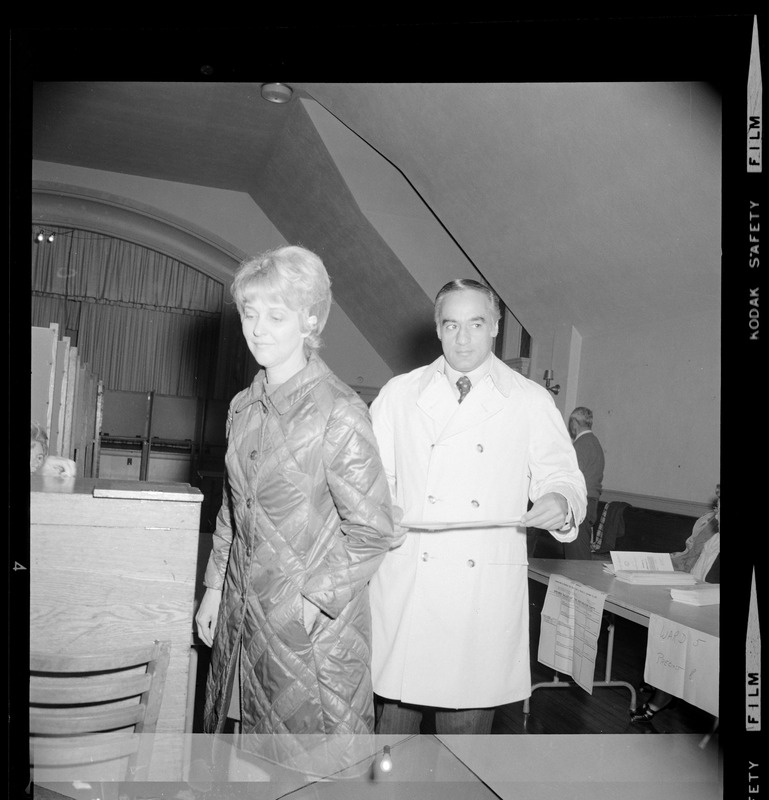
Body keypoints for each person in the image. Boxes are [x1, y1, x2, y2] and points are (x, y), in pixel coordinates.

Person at [194, 246, 398, 769]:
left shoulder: (341, 411)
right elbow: (232, 511)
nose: (258, 329)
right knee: (241, 762)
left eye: (276, 315)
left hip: (309, 633)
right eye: (249, 313)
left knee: (306, 769)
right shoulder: (244, 406)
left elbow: (374, 530)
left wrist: (312, 602)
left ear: (311, 320)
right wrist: (215, 588)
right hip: (243, 615)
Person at [369, 278, 587, 734]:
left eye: (475, 324)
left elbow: (565, 477)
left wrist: (559, 500)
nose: (462, 338)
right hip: (411, 581)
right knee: (393, 738)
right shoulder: (399, 394)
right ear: (437, 328)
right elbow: (372, 483)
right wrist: (379, 514)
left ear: (494, 327)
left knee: (464, 749)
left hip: (479, 593)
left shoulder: (528, 399)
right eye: (451, 325)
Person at [630, 484, 720, 723]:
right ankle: (665, 690)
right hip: (705, 605)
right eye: (717, 507)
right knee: (671, 623)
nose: (716, 516)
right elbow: (697, 578)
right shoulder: (715, 541)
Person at [565, 406, 605, 559]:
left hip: (580, 502)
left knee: (576, 557)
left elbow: (571, 477)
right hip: (590, 501)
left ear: (574, 423)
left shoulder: (581, 445)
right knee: (579, 552)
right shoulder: (594, 442)